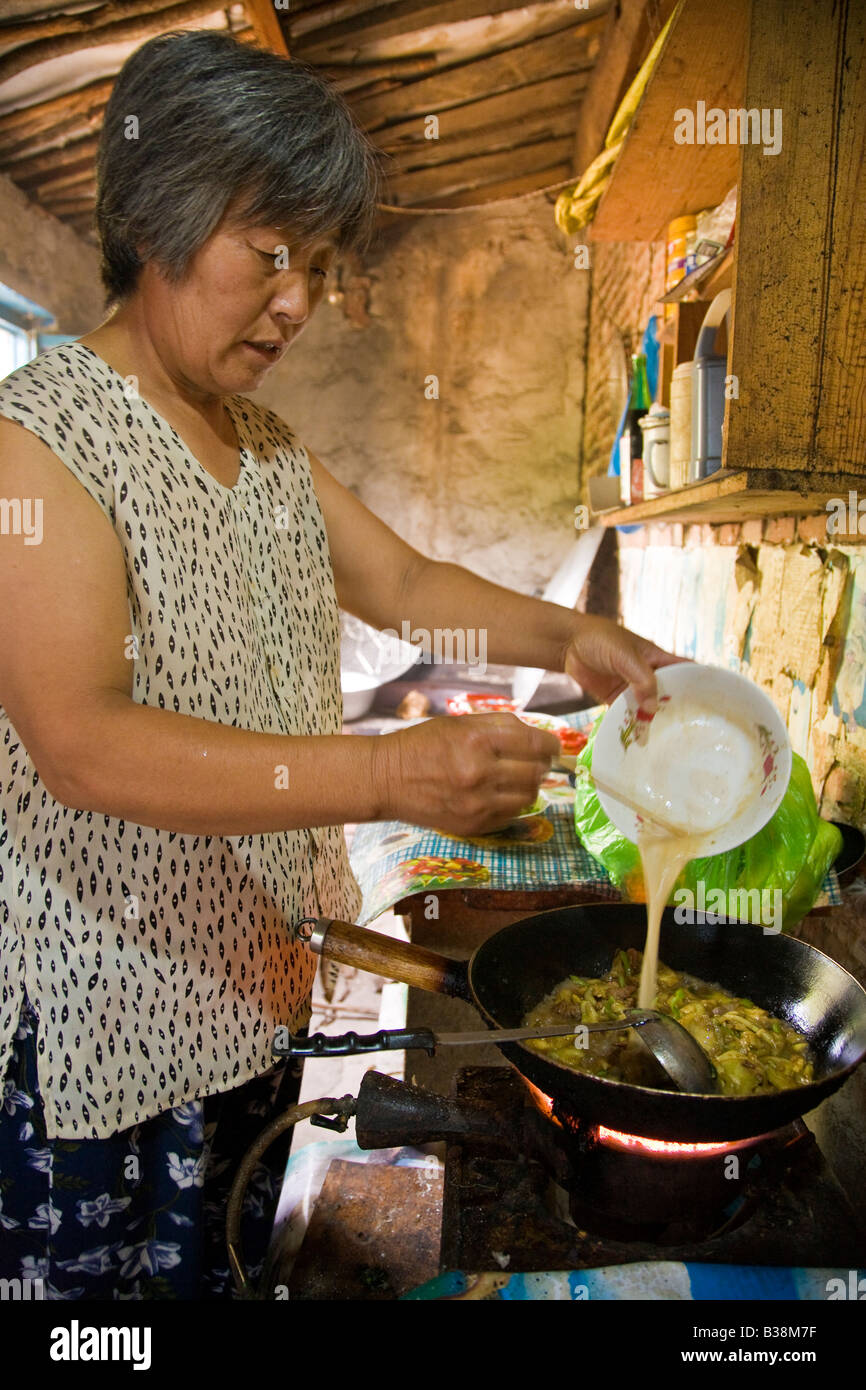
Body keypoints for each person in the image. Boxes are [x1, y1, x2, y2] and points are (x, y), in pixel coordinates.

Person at [0, 29, 680, 1298]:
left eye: (315, 263)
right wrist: (385, 774)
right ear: (159, 216)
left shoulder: (258, 446)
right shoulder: (42, 446)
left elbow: (414, 590)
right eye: (271, 253)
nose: (300, 299)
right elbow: (80, 741)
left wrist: (570, 636)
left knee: (223, 1275)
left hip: (242, 993)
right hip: (102, 1025)